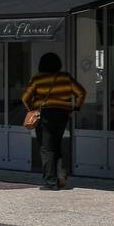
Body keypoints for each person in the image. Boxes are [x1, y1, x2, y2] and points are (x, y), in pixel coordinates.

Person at [21, 52, 86, 190]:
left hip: (44, 114)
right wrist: (76, 108)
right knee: (56, 144)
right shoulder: (65, 77)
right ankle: (61, 175)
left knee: (46, 148)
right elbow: (81, 93)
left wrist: (31, 110)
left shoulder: (38, 79)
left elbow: (25, 98)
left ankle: (50, 182)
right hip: (62, 114)